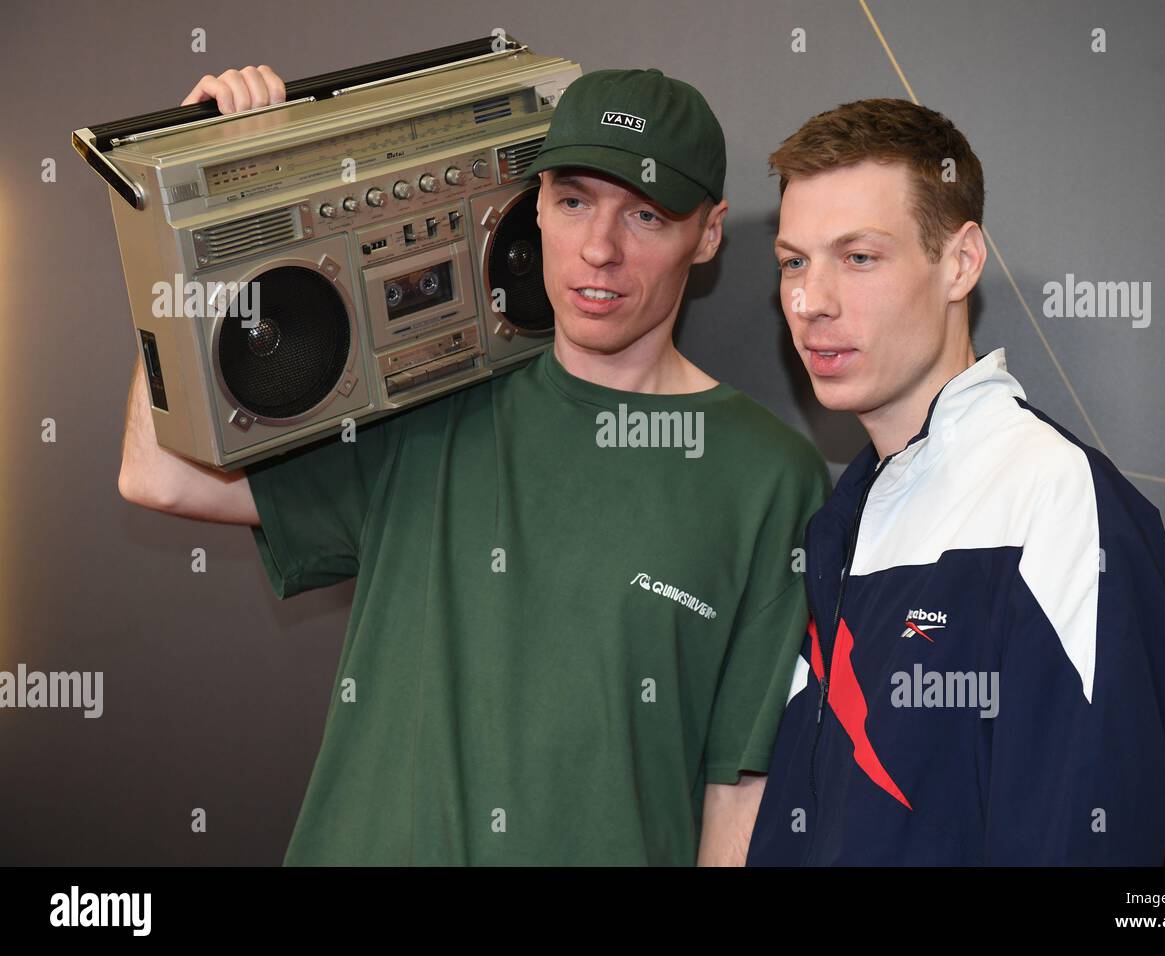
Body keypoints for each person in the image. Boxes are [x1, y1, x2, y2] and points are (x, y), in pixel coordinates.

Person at [119, 65, 830, 865]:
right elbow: (160, 474)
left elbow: (737, 790)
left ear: (706, 234)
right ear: (535, 207)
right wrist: (175, 223)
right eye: (572, 201)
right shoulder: (426, 407)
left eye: (645, 215)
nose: (599, 248)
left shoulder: (769, 478)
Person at [745, 98, 1165, 865]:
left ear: (960, 261)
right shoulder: (846, 514)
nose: (809, 302)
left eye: (858, 257)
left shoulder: (1053, 498)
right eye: (795, 261)